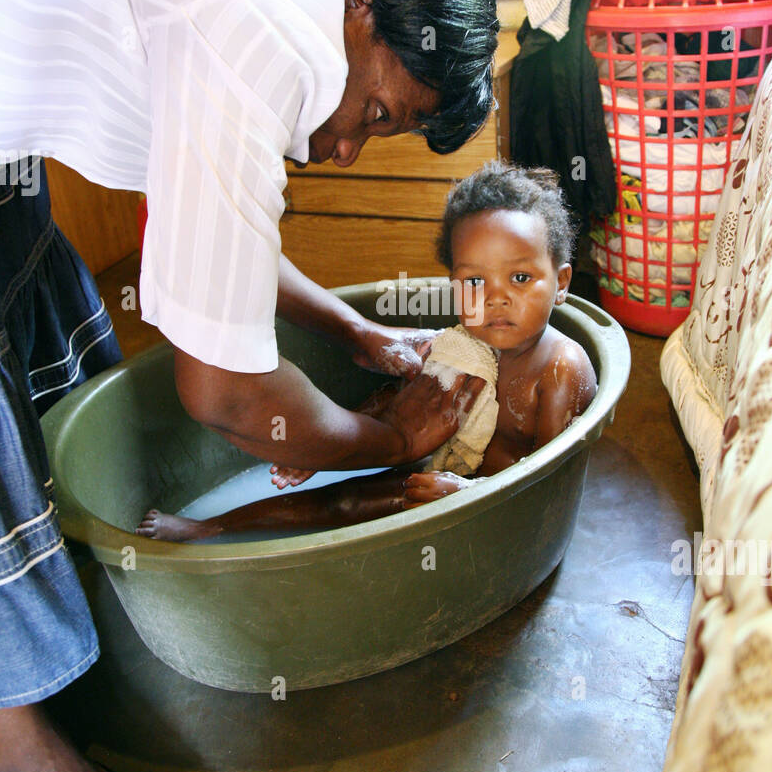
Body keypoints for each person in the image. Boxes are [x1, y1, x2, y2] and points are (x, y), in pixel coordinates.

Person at [0, 0, 498, 772]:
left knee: (29, 258)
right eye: (378, 113)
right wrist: (387, 444)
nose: (345, 144)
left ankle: (73, 585)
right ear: (364, 2)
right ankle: (21, 770)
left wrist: (359, 336)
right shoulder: (270, 18)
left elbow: (212, 234)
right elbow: (219, 392)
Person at [136, 163, 598, 543]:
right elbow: (397, 405)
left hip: (497, 510)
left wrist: (468, 491)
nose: (495, 298)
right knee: (347, 500)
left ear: (560, 283)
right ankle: (213, 526)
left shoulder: (560, 369)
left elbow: (551, 477)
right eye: (475, 282)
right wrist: (318, 449)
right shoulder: (465, 345)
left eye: (519, 279)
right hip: (435, 478)